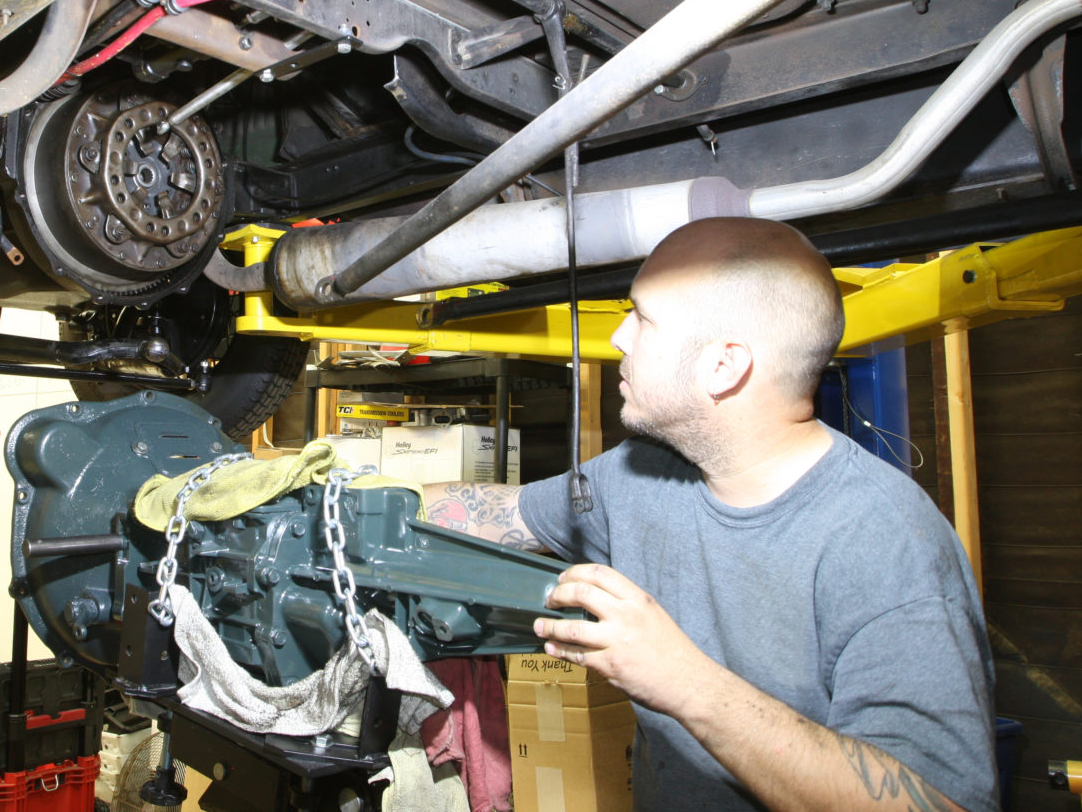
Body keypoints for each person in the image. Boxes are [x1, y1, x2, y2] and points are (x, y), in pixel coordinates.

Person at [424, 216, 997, 812]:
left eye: (642, 317)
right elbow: (499, 512)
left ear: (724, 366)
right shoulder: (642, 474)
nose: (619, 337)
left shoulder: (886, 543)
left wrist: (682, 681)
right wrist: (349, 492)